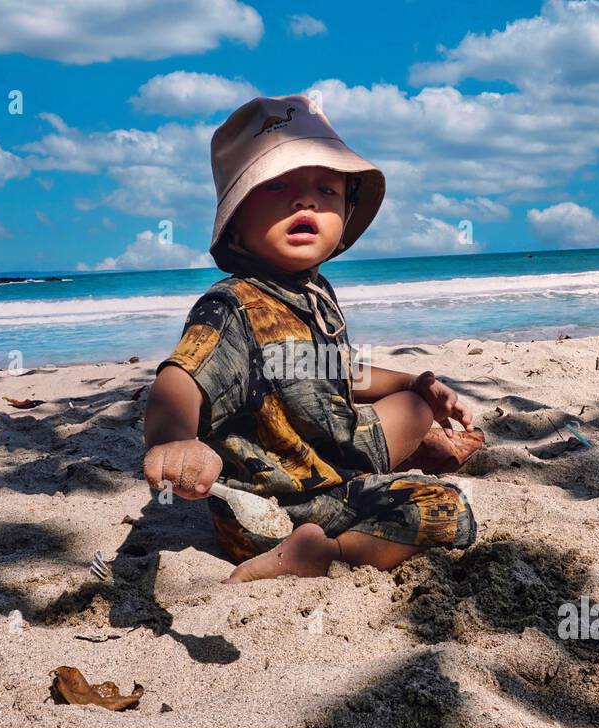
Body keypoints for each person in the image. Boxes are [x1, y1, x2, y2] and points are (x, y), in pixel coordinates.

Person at [142, 94, 485, 583]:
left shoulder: (312, 291)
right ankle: (326, 555)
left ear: (345, 212)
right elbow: (180, 378)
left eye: (325, 189)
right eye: (278, 185)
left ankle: (383, 469)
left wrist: (416, 380)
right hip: (276, 507)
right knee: (444, 510)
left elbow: (333, 370)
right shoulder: (232, 306)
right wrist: (175, 441)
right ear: (237, 217)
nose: (305, 200)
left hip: (333, 457)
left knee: (414, 405)